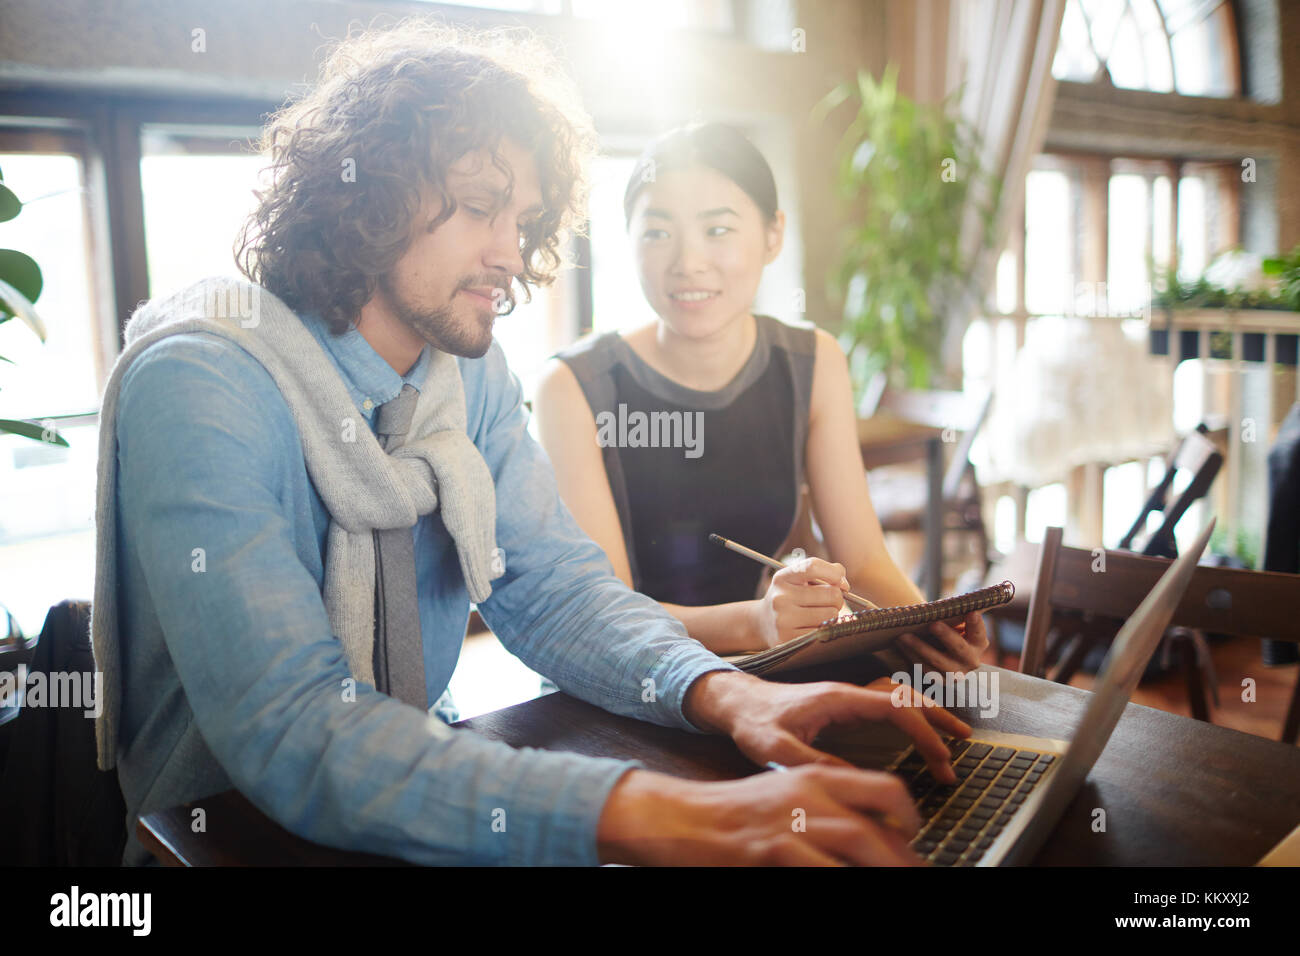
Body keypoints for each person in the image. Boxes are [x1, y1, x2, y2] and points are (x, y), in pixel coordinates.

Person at [96, 21, 971, 869]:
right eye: (482, 208)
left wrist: (733, 693)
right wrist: (664, 813)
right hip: (225, 841)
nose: (512, 255)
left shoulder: (465, 374)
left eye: (525, 220)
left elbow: (555, 589)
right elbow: (293, 728)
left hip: (416, 808)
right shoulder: (202, 385)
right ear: (366, 193)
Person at [535, 123, 990, 667]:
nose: (688, 262)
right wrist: (756, 620)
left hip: (765, 671)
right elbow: (605, 615)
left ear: (774, 234)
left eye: (718, 230)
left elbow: (865, 562)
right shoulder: (573, 387)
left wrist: (925, 630)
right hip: (627, 686)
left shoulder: (811, 361)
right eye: (658, 232)